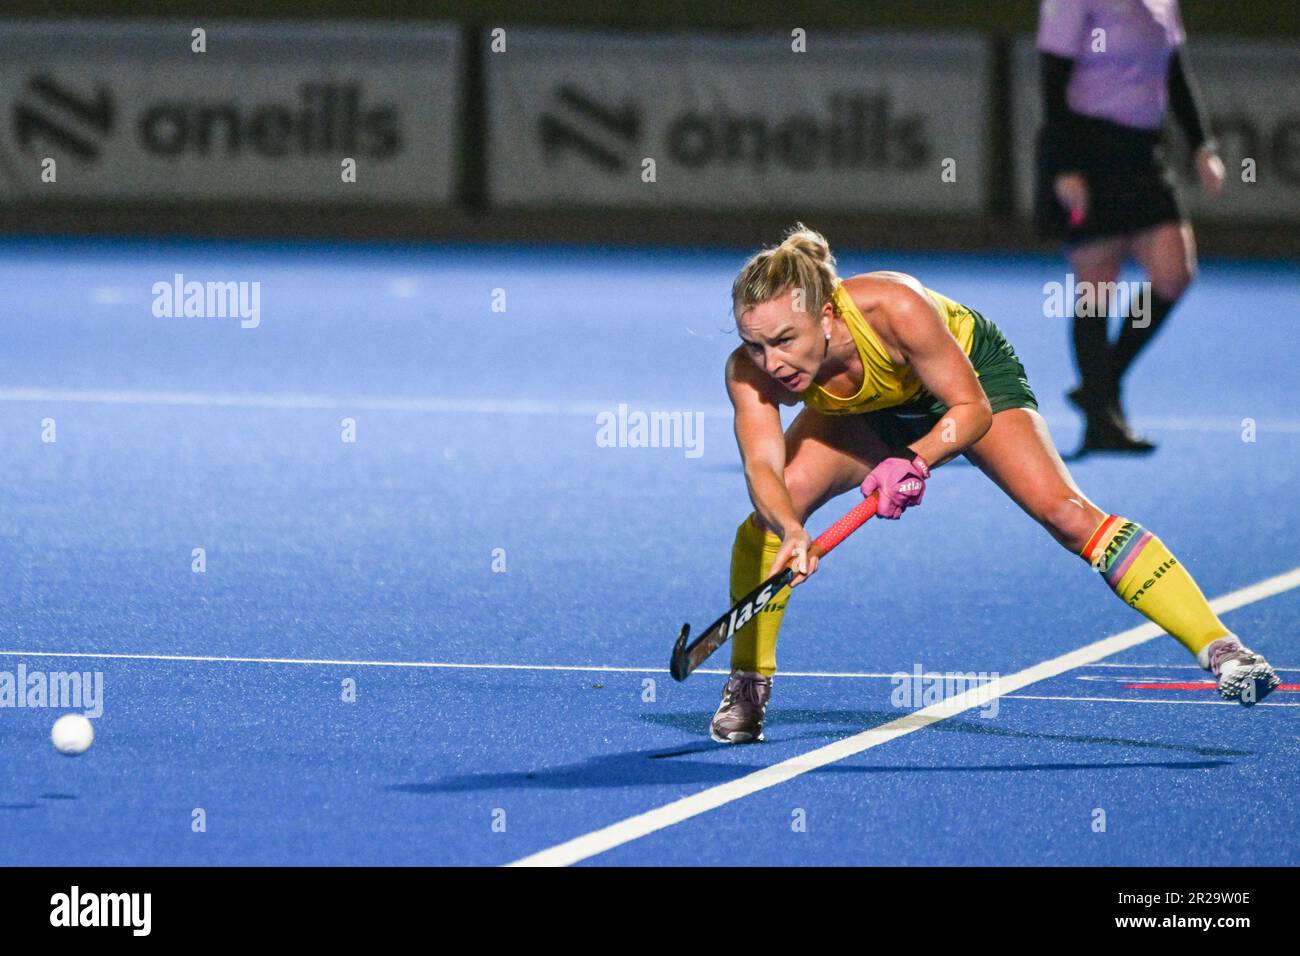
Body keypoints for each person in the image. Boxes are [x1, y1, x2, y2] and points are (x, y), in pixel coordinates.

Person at [712, 224, 1277, 743]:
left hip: (968, 383)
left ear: (829, 315)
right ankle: (748, 683)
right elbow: (762, 470)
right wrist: (789, 528)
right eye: (755, 344)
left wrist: (916, 459)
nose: (771, 362)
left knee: (1066, 513)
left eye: (785, 339)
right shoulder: (751, 372)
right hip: (867, 412)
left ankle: (1222, 648)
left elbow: (969, 408)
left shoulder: (895, 306)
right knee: (761, 526)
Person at [1034, 0, 1224, 453]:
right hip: (1085, 147)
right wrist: (1066, 166)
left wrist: (1201, 144)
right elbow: (1052, 82)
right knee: (1098, 285)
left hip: (1142, 152)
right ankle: (1102, 419)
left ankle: (1099, 386)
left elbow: (1174, 70)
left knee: (1174, 274)